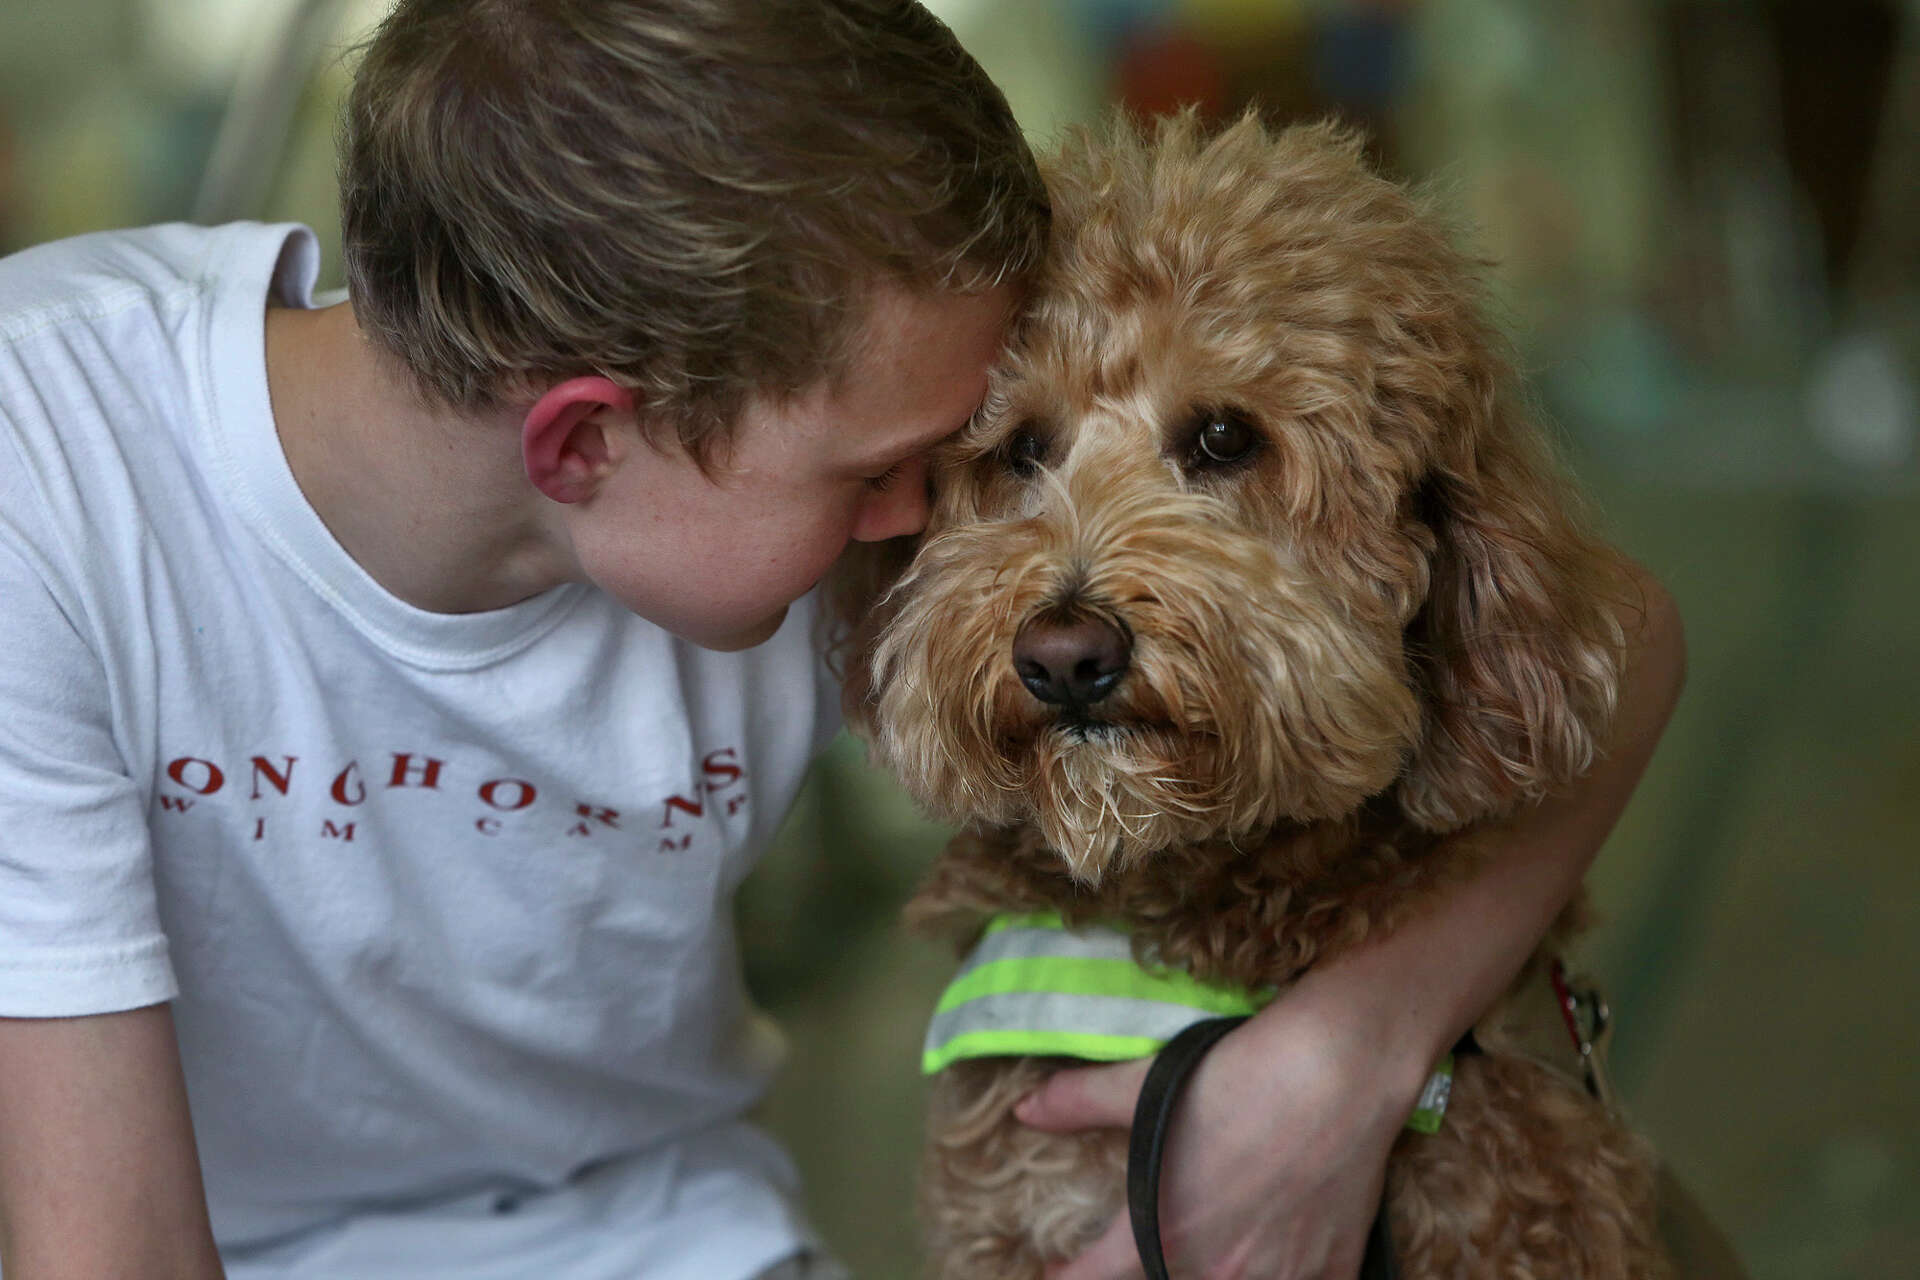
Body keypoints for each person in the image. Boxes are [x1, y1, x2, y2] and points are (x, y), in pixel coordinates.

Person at [0, 5, 1686, 1280]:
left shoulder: (761, 495)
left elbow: (1615, 642)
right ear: (586, 444)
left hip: (654, 1238)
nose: (932, 531)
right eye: (909, 473)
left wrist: (1354, 1056)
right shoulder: (49, 489)